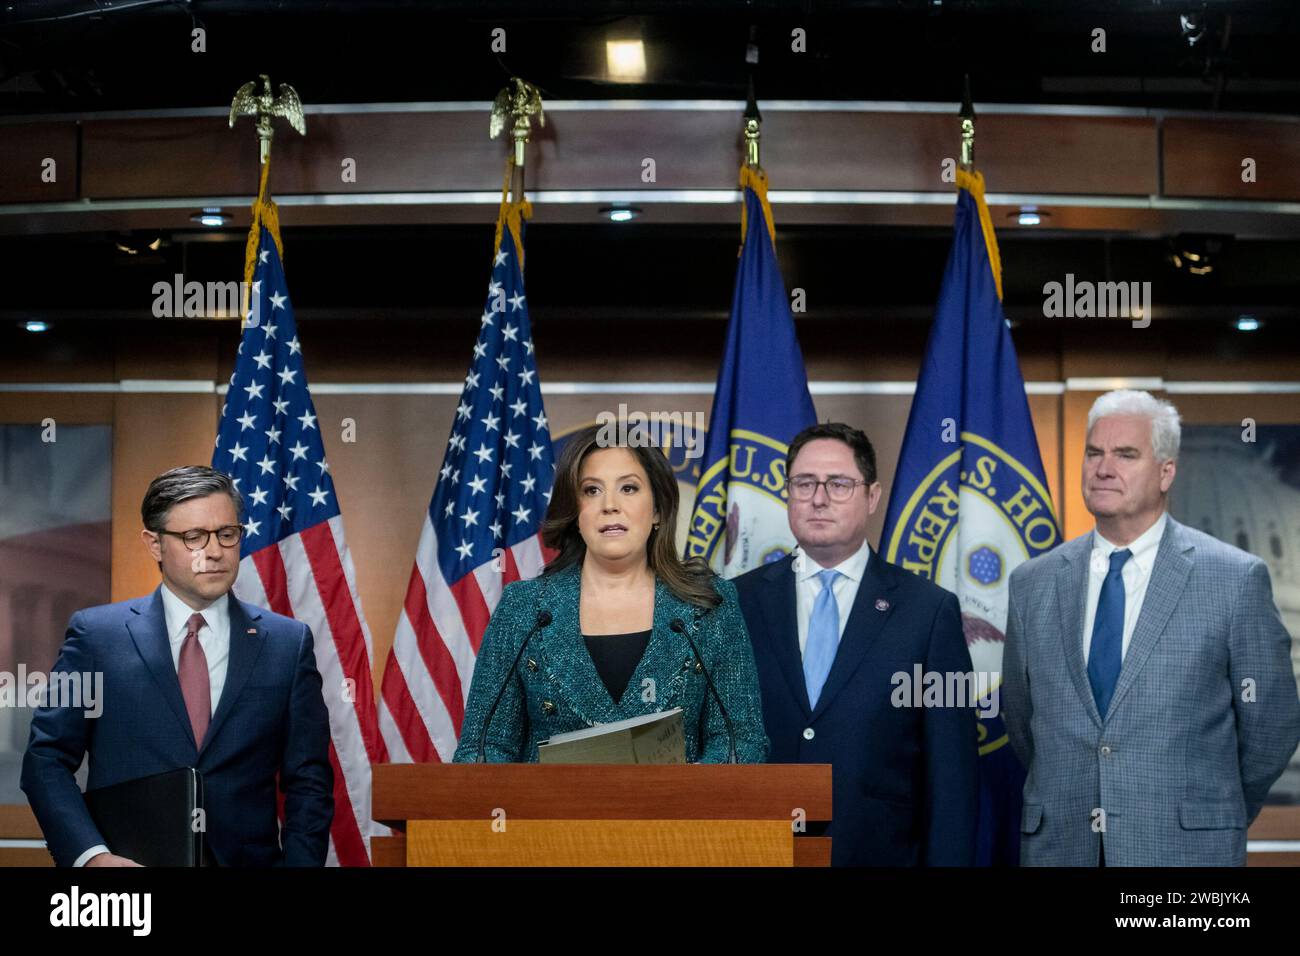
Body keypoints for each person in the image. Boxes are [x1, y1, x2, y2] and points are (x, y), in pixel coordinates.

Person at [1003, 389, 1300, 866]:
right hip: (1061, 849)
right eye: (1094, 453)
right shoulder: (1032, 584)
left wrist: (1214, 806)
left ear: (1166, 472)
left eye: (1125, 455)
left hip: (1184, 853)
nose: (1103, 468)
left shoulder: (1233, 579)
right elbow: (1022, 720)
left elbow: (1273, 724)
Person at [22, 466, 333, 866]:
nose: (215, 551)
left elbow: (309, 780)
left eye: (227, 534)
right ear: (154, 544)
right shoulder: (96, 636)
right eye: (194, 537)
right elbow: (46, 760)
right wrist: (92, 857)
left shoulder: (288, 644)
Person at [734, 422, 978, 865]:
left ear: (873, 496)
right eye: (804, 483)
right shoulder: (736, 603)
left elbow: (953, 777)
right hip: (760, 852)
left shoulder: (930, 612)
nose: (819, 498)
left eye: (839, 484)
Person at [453, 424, 767, 763]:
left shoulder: (708, 604)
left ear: (658, 510)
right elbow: (483, 748)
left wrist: (677, 807)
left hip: (675, 814)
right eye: (591, 491)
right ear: (575, 513)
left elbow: (740, 742)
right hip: (548, 815)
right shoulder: (525, 608)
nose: (610, 505)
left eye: (629, 488)